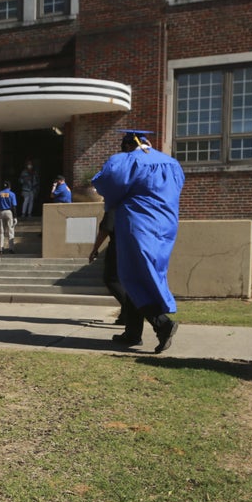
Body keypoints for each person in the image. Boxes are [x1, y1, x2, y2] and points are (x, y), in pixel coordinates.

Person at [92, 130, 183, 353]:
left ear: (127, 146)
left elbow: (107, 182)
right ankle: (132, 333)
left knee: (132, 278)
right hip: (165, 227)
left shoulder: (129, 160)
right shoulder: (170, 163)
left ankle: (162, 324)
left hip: (138, 225)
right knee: (145, 274)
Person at [89, 203, 138, 328]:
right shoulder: (132, 204)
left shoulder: (114, 205)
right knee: (124, 282)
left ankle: (130, 309)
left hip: (118, 247)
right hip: (134, 245)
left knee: (111, 279)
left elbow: (106, 229)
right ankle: (125, 316)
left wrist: (95, 249)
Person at [0, 180, 18, 254]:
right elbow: (14, 206)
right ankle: (11, 248)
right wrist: (15, 217)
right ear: (9, 187)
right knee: (10, 230)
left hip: (0, 212)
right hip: (9, 212)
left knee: (1, 232)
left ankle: (1, 248)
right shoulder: (12, 194)